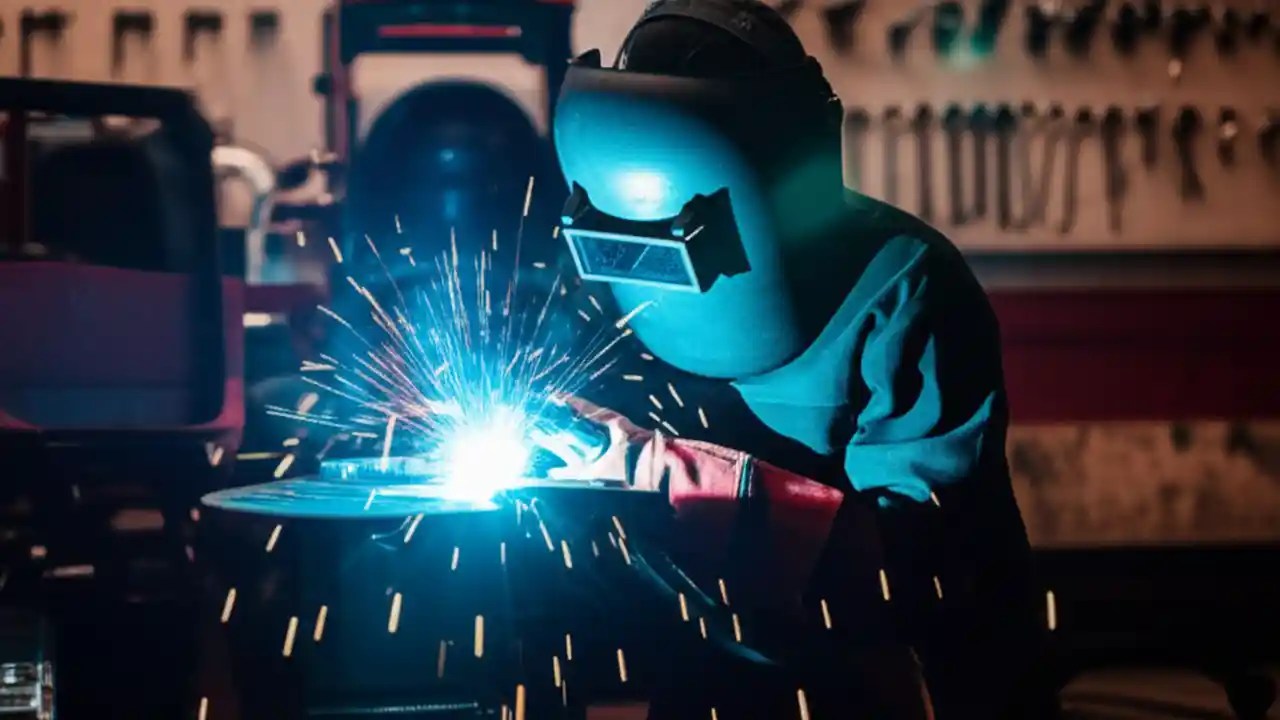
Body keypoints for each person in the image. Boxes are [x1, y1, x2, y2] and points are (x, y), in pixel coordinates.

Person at [541, 0, 1051, 717]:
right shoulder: (612, 272)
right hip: (716, 668)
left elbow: (905, 572)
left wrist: (676, 479)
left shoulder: (902, 284)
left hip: (903, 681)